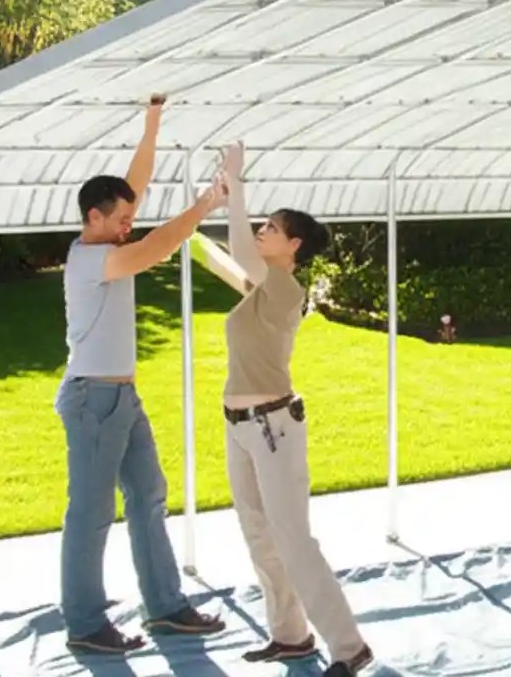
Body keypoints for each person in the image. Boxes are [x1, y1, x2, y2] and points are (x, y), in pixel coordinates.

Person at [190, 143, 374, 676]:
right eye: (263, 225)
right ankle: (290, 636)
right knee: (258, 532)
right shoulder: (258, 289)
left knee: (293, 538)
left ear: (292, 245)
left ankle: (348, 648)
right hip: (239, 428)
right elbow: (234, 254)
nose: (262, 231)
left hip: (273, 429)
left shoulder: (284, 287)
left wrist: (237, 185)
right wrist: (209, 210)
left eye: (272, 227)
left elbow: (243, 249)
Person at [55, 94, 227, 654]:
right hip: (93, 400)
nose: (131, 225)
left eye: (131, 217)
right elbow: (156, 246)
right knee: (91, 512)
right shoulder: (92, 259)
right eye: (122, 218)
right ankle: (84, 624)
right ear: (93, 218)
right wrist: (205, 205)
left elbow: (136, 182)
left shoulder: (110, 235)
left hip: (121, 398)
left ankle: (167, 608)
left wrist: (152, 123)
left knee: (149, 495)